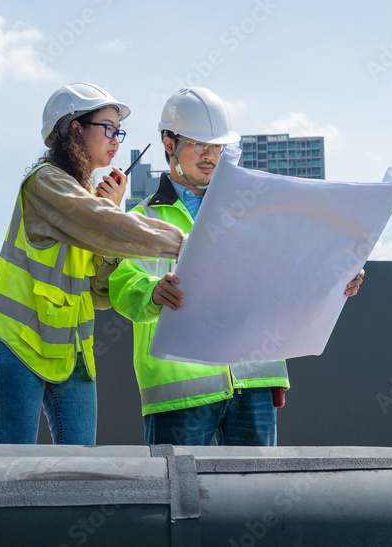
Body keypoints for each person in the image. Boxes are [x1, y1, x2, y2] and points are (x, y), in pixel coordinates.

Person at [109, 86, 365, 446]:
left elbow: (291, 269)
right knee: (180, 499)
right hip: (181, 390)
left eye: (218, 146)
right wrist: (152, 292)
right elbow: (121, 286)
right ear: (170, 144)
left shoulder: (252, 210)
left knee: (258, 499)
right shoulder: (143, 217)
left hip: (255, 378)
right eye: (200, 144)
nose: (210, 155)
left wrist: (336, 276)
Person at [0, 82, 187, 446]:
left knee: (81, 472)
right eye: (107, 128)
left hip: (71, 352)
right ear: (74, 128)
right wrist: (184, 244)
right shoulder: (45, 184)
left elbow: (101, 292)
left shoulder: (89, 202)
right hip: (18, 344)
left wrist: (110, 208)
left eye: (119, 131)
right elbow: (101, 225)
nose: (116, 138)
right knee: (11, 473)